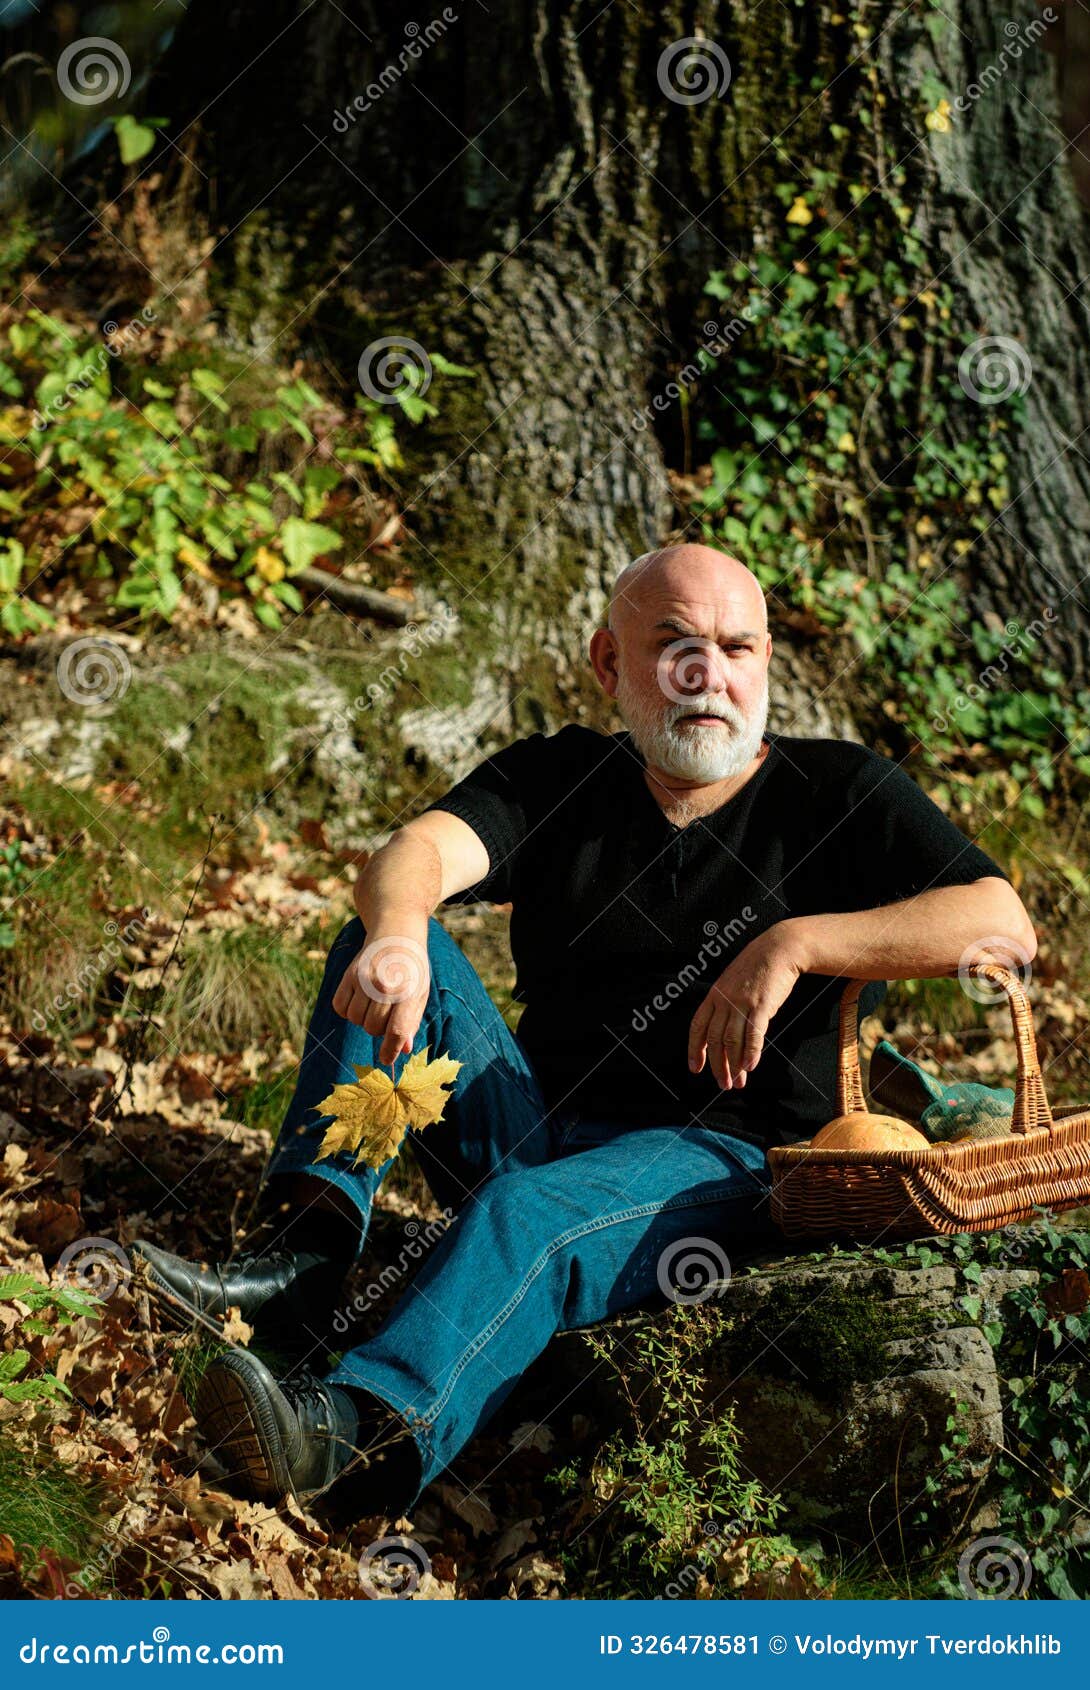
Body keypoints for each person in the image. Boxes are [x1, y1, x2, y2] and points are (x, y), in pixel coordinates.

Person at [134, 544, 1036, 1516]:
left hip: (717, 1165)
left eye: (736, 647)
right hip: (533, 1123)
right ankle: (303, 1275)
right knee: (391, 938)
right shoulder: (559, 776)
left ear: (766, 661)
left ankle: (353, 1435)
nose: (708, 675)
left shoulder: (839, 793)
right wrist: (398, 935)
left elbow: (1001, 924)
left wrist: (796, 941)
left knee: (533, 1212)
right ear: (608, 663)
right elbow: (417, 850)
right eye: (674, 644)